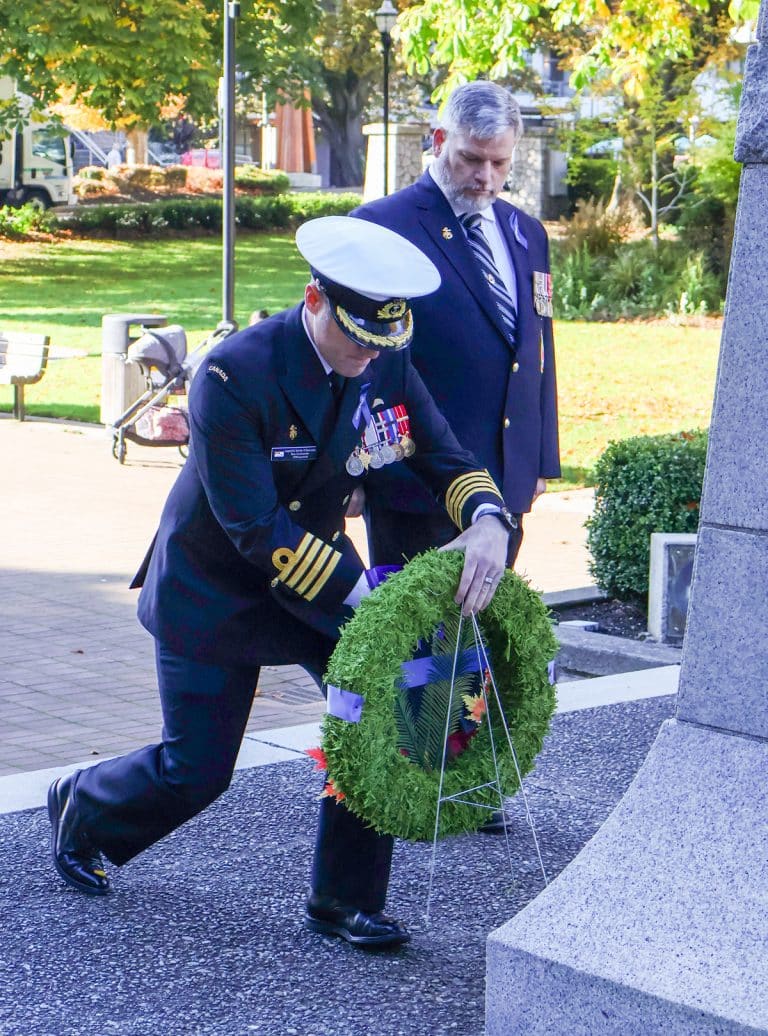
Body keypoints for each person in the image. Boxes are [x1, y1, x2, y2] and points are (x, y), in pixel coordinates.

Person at [47, 216, 517, 948]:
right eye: (357, 337)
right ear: (314, 300)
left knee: (377, 722)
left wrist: (489, 518)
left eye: (382, 342)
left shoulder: (383, 356)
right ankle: (84, 806)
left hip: (318, 577)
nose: (368, 356)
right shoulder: (235, 375)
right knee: (196, 772)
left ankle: (343, 899)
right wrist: (372, 601)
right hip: (217, 586)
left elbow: (442, 453)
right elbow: (255, 530)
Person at [352, 79, 560, 573]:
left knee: (486, 634)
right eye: (471, 158)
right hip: (415, 479)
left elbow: (537, 348)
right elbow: (359, 359)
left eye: (500, 163)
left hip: (506, 476)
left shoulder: (526, 233)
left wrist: (540, 456)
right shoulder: (382, 225)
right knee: (418, 643)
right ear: (439, 140)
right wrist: (353, 470)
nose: (485, 177)